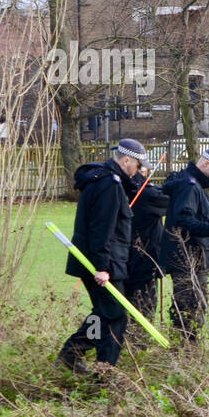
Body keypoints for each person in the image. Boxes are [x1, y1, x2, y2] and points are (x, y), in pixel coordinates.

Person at [56, 139, 148, 372]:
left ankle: (101, 367)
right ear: (127, 160)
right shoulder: (109, 184)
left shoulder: (105, 180)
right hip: (102, 264)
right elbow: (102, 229)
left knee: (107, 314)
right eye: (138, 166)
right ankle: (78, 354)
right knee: (114, 314)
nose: (139, 170)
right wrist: (102, 267)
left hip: (103, 262)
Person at [161, 148, 209, 339]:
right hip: (187, 256)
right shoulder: (189, 185)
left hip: (192, 256)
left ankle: (187, 345)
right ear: (205, 163)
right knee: (190, 305)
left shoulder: (192, 184)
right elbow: (184, 220)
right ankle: (185, 347)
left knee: (195, 304)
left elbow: (194, 212)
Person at [124, 168, 169, 323]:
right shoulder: (147, 195)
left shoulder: (119, 189)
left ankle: (129, 339)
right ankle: (139, 342)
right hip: (145, 259)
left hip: (122, 257)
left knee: (126, 303)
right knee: (144, 305)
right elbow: (173, 202)